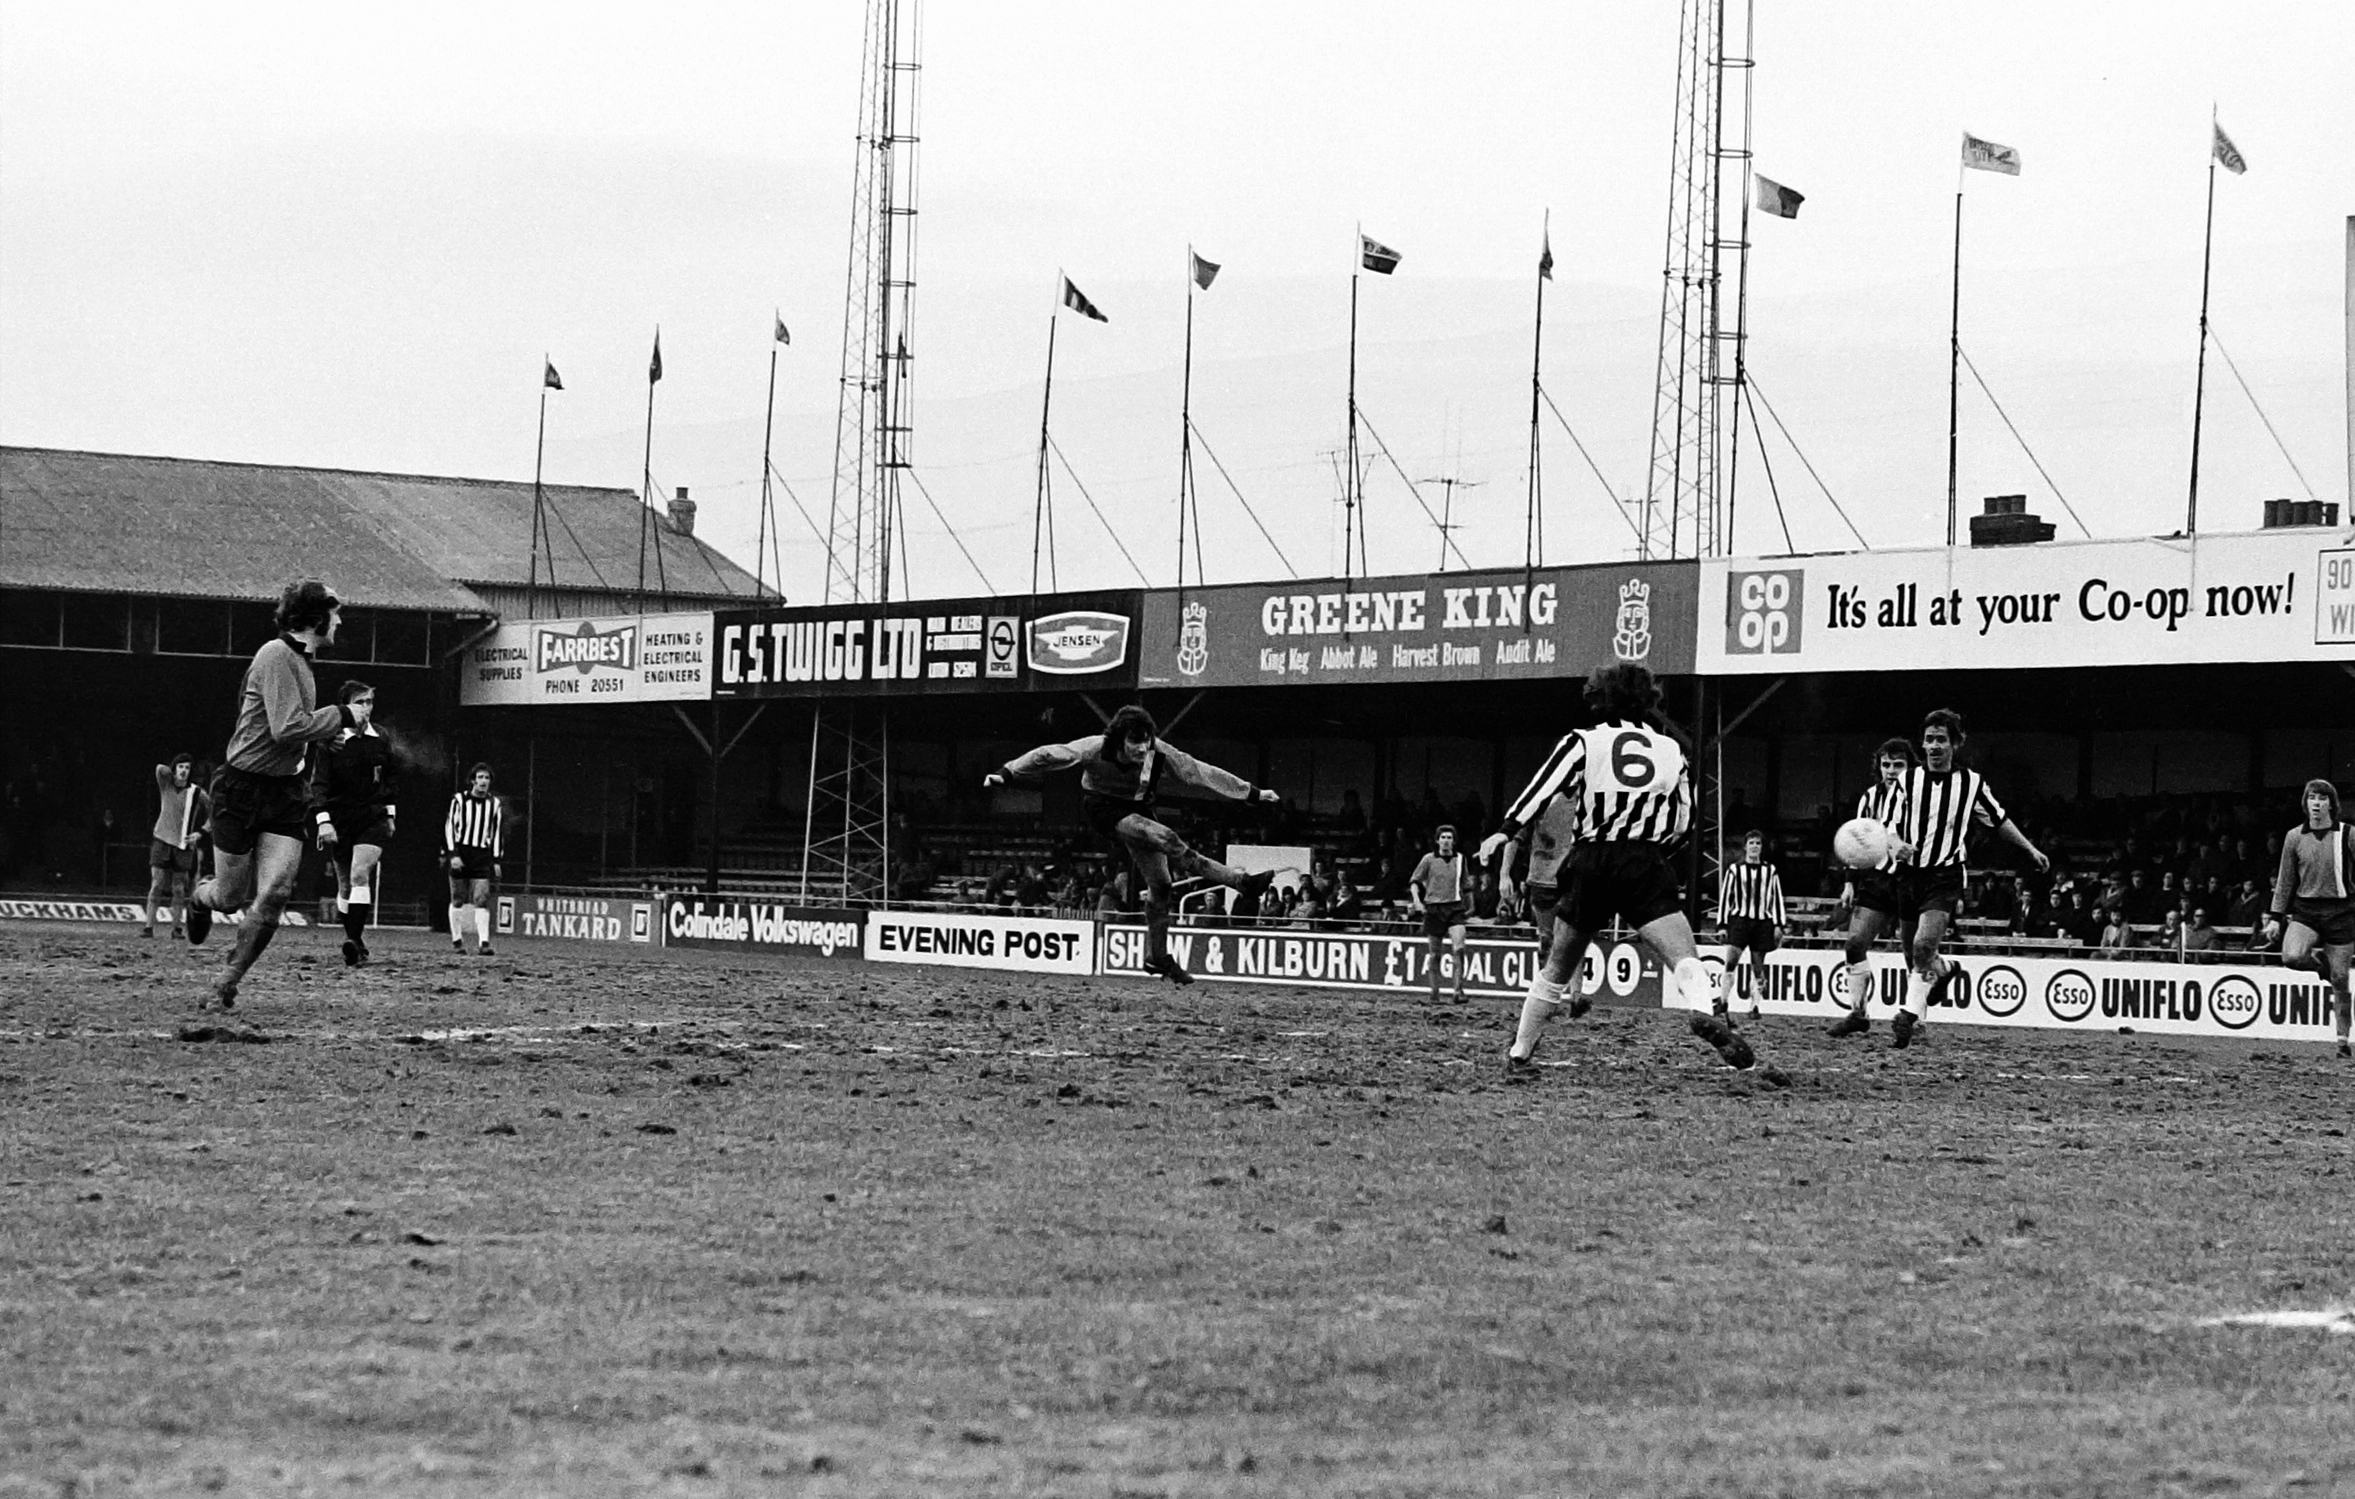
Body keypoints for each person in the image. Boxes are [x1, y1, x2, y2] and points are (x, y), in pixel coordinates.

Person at [1479, 663, 1760, 1080]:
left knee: (1557, 966)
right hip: (1644, 861)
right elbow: (1687, 818)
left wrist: (1504, 831)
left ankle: (1519, 1055)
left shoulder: (1584, 742)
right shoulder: (1670, 750)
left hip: (1591, 860)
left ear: (1599, 697)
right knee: (1685, 956)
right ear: (1649, 701)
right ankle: (1703, 1010)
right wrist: (1656, 850)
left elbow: (1542, 788)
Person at [987, 705, 1277, 985]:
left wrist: (1252, 793)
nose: (1142, 748)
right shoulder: (1094, 748)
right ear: (1118, 739)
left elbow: (1200, 772)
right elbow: (1047, 755)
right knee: (1169, 839)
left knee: (1162, 886)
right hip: (1103, 807)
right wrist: (1007, 771)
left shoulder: (1157, 751)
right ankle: (1241, 882)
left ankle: (1158, 957)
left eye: (1146, 740)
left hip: (1139, 809)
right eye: (1134, 741)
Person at [183, 580, 361, 1009]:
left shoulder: (301, 662)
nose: (340, 620)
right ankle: (198, 898)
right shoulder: (276, 654)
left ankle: (226, 980)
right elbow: (285, 728)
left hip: (284, 792)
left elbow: (290, 728)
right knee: (229, 898)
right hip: (241, 789)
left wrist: (323, 737)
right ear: (316, 618)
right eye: (336, 613)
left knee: (278, 892)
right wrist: (339, 716)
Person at [1879, 709, 2049, 1049]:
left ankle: (1908, 1017)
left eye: (1941, 739)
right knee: (1915, 955)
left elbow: (1999, 820)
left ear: (1955, 744)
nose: (1933, 746)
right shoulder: (1906, 781)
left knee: (1923, 945)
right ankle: (1944, 970)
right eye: (1928, 740)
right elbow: (1888, 827)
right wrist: (1897, 846)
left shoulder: (1971, 783)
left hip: (1945, 874)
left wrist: (2030, 849)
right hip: (1909, 876)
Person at [1827, 739, 1919, 1037]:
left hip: (1912, 880)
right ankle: (1858, 1013)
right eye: (1886, 765)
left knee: (1913, 953)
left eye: (1899, 765)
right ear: (1879, 767)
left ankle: (1915, 1019)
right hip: (1878, 881)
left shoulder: (1921, 795)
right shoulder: (1869, 797)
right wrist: (1850, 882)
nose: (1892, 771)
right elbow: (1859, 843)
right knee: (1854, 944)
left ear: (1910, 766)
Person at [2261, 780, 2353, 1059]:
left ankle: (2342, 1042)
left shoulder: (2348, 834)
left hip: (2342, 912)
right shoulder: (2294, 836)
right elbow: (2286, 880)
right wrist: (2276, 917)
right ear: (2306, 803)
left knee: (2340, 979)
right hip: (2307, 910)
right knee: (2290, 956)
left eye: (2322, 798)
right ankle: (2319, 965)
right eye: (2311, 797)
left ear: (2331, 804)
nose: (2316, 803)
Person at [311, 680, 398, 967]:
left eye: (369, 702)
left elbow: (390, 777)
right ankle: (355, 940)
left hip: (371, 817)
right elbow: (319, 784)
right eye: (360, 702)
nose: (366, 708)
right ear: (345, 707)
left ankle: (354, 939)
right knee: (346, 885)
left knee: (361, 873)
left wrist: (390, 813)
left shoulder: (381, 737)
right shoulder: (331, 740)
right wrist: (324, 821)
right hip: (339, 819)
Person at [1715, 829, 1787, 1021]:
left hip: (1763, 923)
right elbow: (1725, 898)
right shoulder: (1734, 870)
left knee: (1757, 965)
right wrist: (1722, 925)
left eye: (1758, 843)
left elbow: (1776, 897)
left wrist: (1779, 924)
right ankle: (1723, 1001)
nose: (1755, 846)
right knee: (1731, 961)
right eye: (1752, 843)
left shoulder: (1770, 871)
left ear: (1762, 848)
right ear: (1745, 846)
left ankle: (1755, 1005)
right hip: (1739, 921)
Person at [144, 752, 210, 939]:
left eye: (187, 768)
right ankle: (148, 926)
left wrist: (200, 832)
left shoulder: (197, 793)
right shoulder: (166, 785)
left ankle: (176, 928)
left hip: (183, 845)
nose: (183, 771)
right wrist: (173, 771)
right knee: (156, 884)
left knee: (179, 889)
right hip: (162, 841)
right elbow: (159, 768)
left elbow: (214, 815)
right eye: (181, 767)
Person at [441, 763, 504, 956]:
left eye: (487, 778)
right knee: (458, 898)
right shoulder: (459, 800)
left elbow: (497, 832)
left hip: (481, 855)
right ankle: (457, 940)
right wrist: (453, 855)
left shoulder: (495, 804)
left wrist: (496, 860)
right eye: (481, 777)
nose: (484, 781)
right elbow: (450, 827)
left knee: (481, 898)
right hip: (461, 851)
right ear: (473, 780)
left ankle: (484, 942)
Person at [1409, 825, 1473, 1005]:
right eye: (1443, 837)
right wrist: (1417, 901)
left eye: (1449, 837)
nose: (1446, 840)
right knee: (1434, 954)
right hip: (1434, 908)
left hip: (1454, 908)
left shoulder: (1460, 859)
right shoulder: (1428, 859)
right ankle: (1434, 992)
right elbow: (1415, 881)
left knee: (1459, 948)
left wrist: (1471, 906)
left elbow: (1466, 884)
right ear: (1437, 840)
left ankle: (1458, 990)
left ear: (1454, 840)